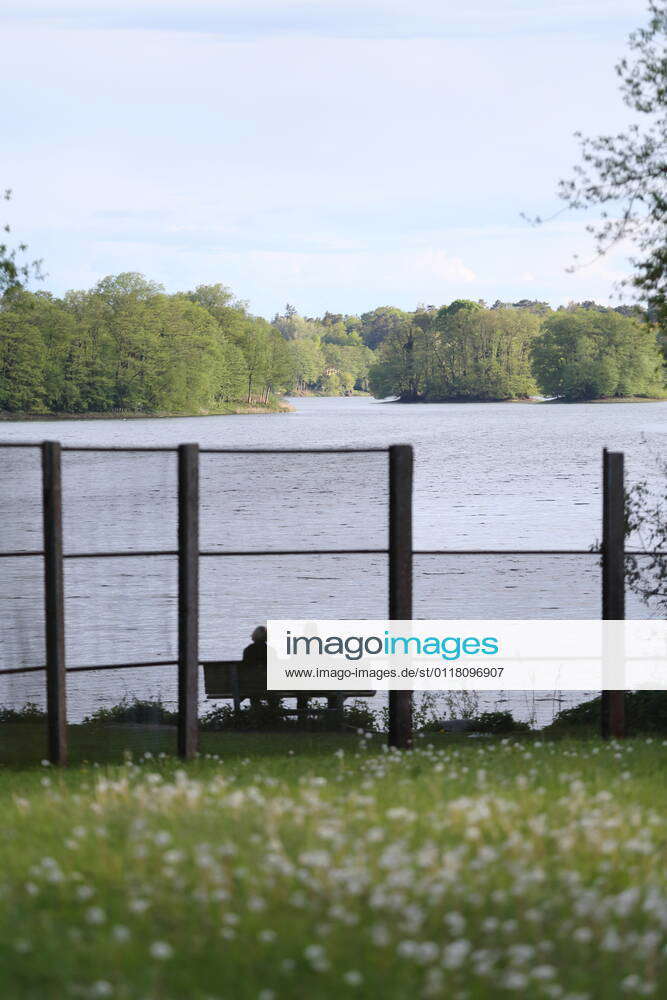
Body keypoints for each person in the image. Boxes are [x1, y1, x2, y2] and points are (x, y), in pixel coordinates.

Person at [242, 626, 281, 711]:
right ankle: (274, 714)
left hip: (252, 685)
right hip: (269, 686)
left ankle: (257, 714)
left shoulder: (248, 650)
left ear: (254, 636)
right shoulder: (271, 651)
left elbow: (245, 669)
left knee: (254, 691)